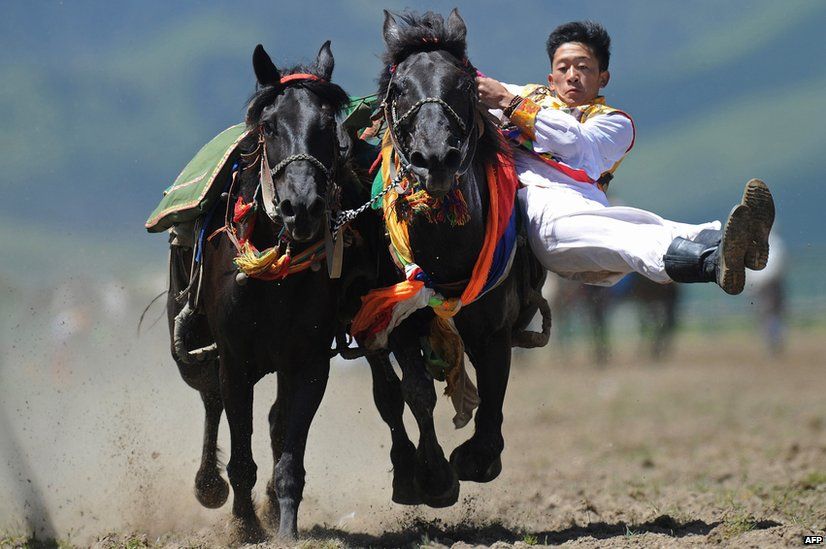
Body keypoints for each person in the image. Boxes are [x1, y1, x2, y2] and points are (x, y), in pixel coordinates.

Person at [476, 21, 775, 295]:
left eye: (583, 67)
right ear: (551, 76)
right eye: (563, 67)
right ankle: (734, 248)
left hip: (574, 211)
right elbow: (462, 77)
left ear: (602, 78)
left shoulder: (615, 123)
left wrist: (507, 102)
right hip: (537, 210)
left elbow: (573, 143)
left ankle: (725, 255)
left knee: (643, 229)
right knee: (637, 232)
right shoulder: (525, 95)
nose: (572, 76)